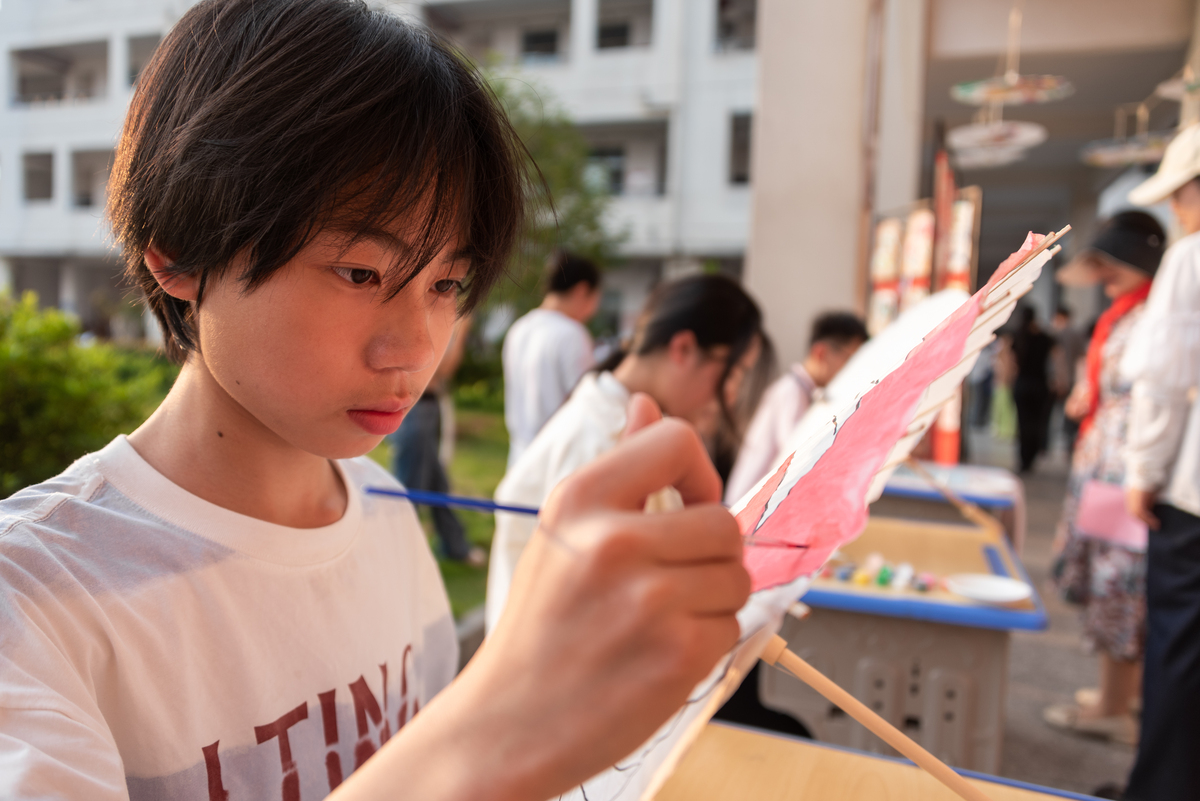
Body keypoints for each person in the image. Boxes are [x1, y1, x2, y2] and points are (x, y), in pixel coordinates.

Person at [0, 3, 752, 798]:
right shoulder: (37, 600)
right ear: (180, 252)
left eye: (446, 285)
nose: (415, 348)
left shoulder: (386, 511)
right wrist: (500, 720)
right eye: (361, 272)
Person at [486, 274, 772, 632]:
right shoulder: (600, 443)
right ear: (683, 348)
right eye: (734, 374)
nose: (730, 396)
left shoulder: (608, 422)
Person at [1044, 211, 1166, 746]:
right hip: (1110, 462)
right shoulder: (1130, 312)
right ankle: (1118, 694)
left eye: (1115, 263)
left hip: (1124, 469)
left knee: (1117, 583)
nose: (1107, 273)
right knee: (1112, 579)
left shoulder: (1155, 315)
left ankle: (1116, 705)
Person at [1119, 123, 1200, 801]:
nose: (1177, 210)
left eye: (1182, 194)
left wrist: (1143, 472)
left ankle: (1162, 788)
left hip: (1194, 492)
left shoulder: (1191, 258)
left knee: (1179, 647)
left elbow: (1165, 377)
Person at [724, 311, 867, 505]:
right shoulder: (790, 392)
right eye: (850, 359)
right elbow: (799, 456)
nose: (853, 370)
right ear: (821, 352)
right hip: (745, 511)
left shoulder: (802, 392)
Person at [390, 315, 486, 566]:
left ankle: (455, 547)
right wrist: (463, 329)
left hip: (426, 410)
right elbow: (443, 370)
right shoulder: (429, 321)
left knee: (436, 484)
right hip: (418, 410)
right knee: (412, 487)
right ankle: (398, 553)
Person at [502, 251, 601, 467]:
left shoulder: (519, 328)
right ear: (583, 290)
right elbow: (589, 403)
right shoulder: (572, 334)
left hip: (518, 457)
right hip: (556, 461)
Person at [1010, 305, 1056, 473]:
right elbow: (1055, 361)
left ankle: (1023, 458)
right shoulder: (1045, 338)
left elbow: (1012, 363)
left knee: (1022, 422)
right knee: (1038, 423)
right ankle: (1031, 457)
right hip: (1040, 385)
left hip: (1022, 384)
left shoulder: (1018, 336)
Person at [1050, 305, 1086, 452]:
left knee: (1056, 413)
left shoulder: (1056, 334)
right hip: (1074, 379)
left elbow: (1058, 359)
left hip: (1059, 379)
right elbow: (1082, 358)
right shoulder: (1077, 334)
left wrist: (1059, 379)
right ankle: (1069, 443)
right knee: (1070, 416)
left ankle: (1054, 443)